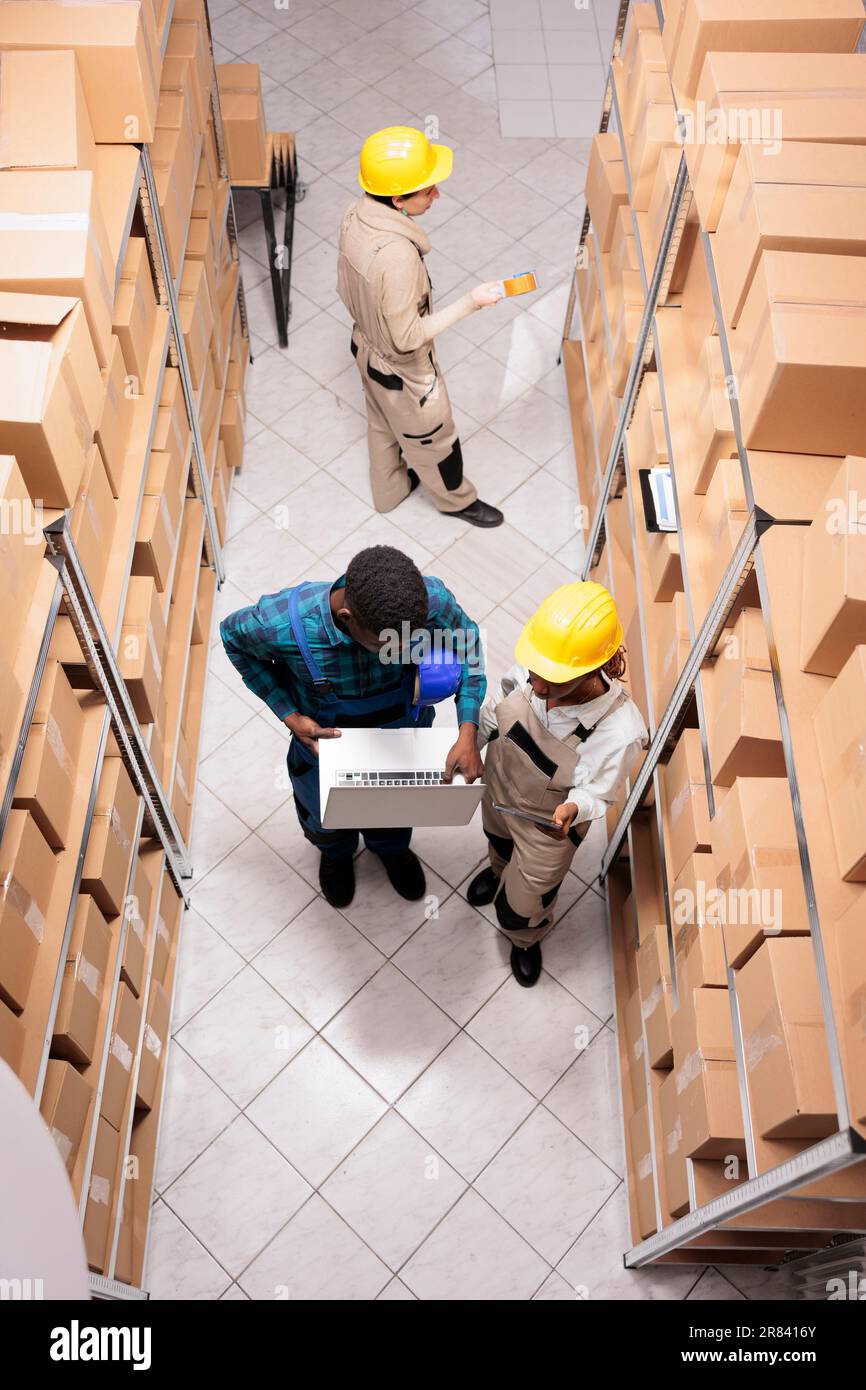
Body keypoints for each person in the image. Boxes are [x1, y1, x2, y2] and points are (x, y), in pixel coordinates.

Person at [220, 545, 486, 909]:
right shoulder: (282, 622)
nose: (403, 648)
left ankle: (390, 849)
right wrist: (288, 714)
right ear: (347, 617)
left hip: (400, 737)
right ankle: (336, 855)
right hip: (323, 752)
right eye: (385, 644)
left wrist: (467, 729)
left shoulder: (429, 601)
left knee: (394, 812)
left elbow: (469, 648)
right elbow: (233, 640)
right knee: (327, 820)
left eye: (411, 638)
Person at [467, 582, 648, 988]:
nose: (540, 687)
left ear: (591, 671)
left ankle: (523, 936)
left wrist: (575, 809)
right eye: (536, 672)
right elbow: (496, 712)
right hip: (499, 794)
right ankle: (498, 871)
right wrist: (470, 741)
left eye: (554, 679)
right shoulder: (532, 674)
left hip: (549, 826)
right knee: (497, 846)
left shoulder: (618, 730)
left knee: (525, 902)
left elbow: (599, 792)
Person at [337, 125, 505, 529]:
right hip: (405, 374)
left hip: (364, 350)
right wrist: (472, 302)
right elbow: (407, 337)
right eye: (427, 189)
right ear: (398, 200)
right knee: (437, 442)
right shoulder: (398, 258)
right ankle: (456, 501)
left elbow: (343, 288)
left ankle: (389, 493)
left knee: (380, 424)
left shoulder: (354, 216)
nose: (436, 195)